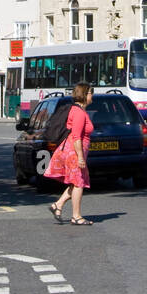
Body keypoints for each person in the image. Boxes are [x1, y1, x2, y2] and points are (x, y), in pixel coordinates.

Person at [45, 83, 96, 226]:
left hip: (74, 151)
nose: (93, 96)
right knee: (79, 183)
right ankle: (76, 216)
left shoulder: (78, 111)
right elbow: (76, 137)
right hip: (74, 152)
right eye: (91, 93)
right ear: (85, 95)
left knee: (76, 182)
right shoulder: (79, 112)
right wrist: (80, 156)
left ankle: (58, 205)